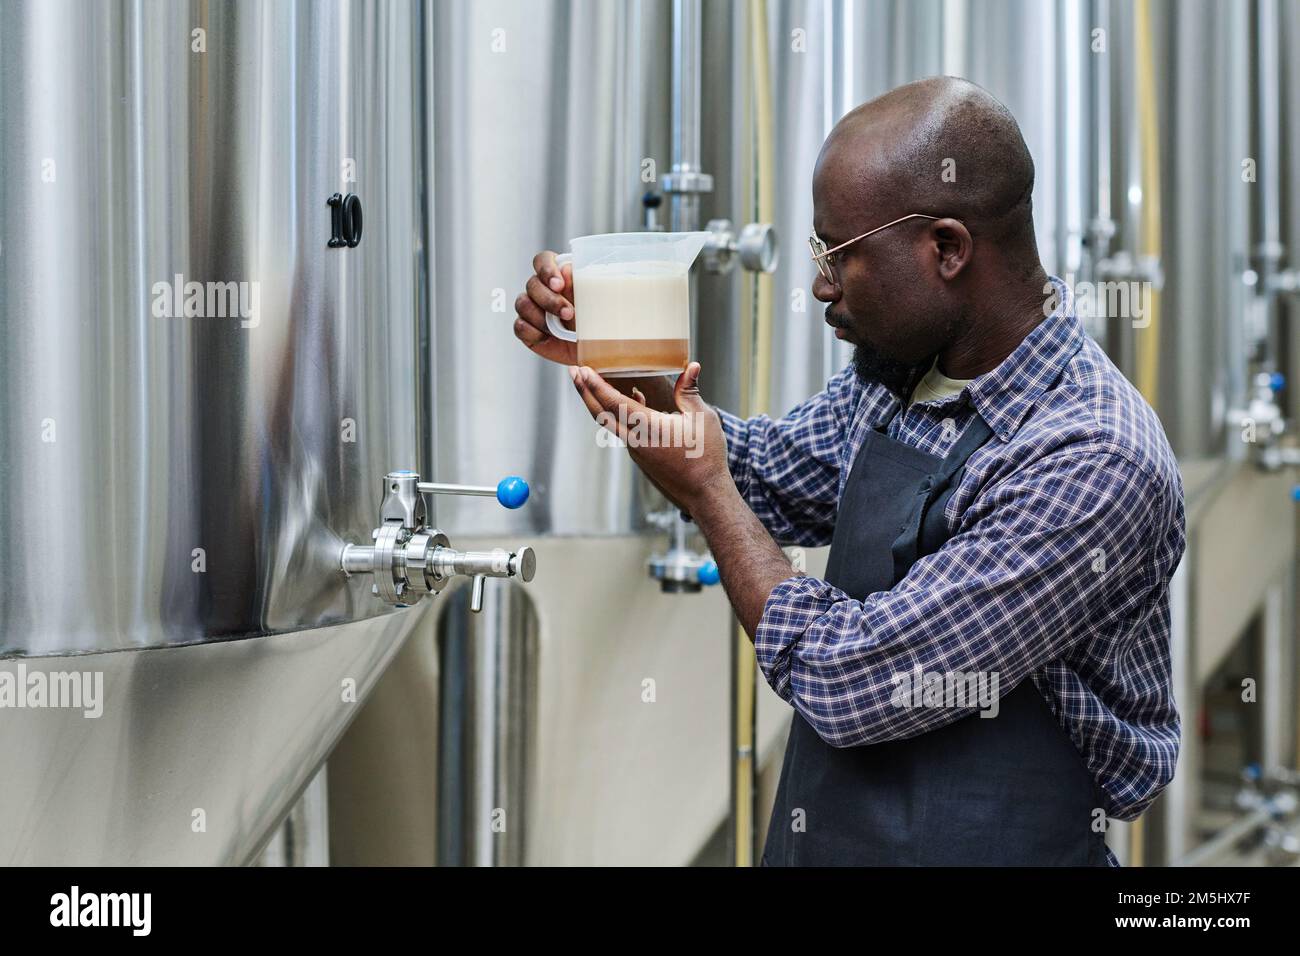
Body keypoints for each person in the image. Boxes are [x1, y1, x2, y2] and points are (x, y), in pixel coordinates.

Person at [513, 76, 1184, 866]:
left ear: (947, 248)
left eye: (840, 254)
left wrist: (707, 492)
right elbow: (766, 475)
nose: (820, 285)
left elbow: (850, 680)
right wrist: (624, 362)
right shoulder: (901, 372)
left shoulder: (1090, 457)